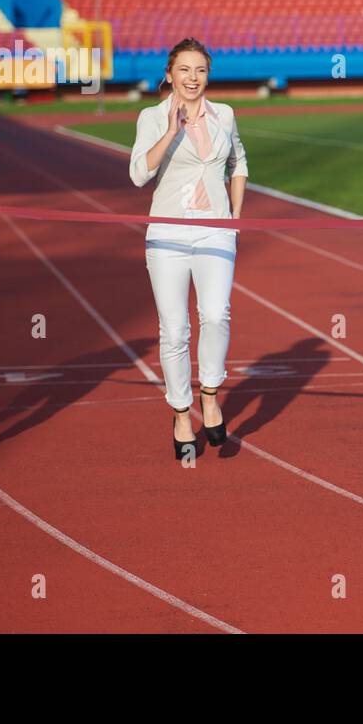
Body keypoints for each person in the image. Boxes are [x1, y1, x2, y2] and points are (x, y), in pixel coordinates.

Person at [130, 38, 248, 460]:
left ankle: (210, 393)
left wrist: (234, 216)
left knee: (216, 314)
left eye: (199, 70)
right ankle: (181, 410)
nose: (192, 78)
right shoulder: (152, 116)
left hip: (215, 230)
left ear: (207, 75)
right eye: (184, 70)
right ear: (170, 74)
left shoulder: (225, 115)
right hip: (167, 234)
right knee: (175, 329)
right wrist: (170, 132)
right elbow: (138, 175)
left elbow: (239, 163)